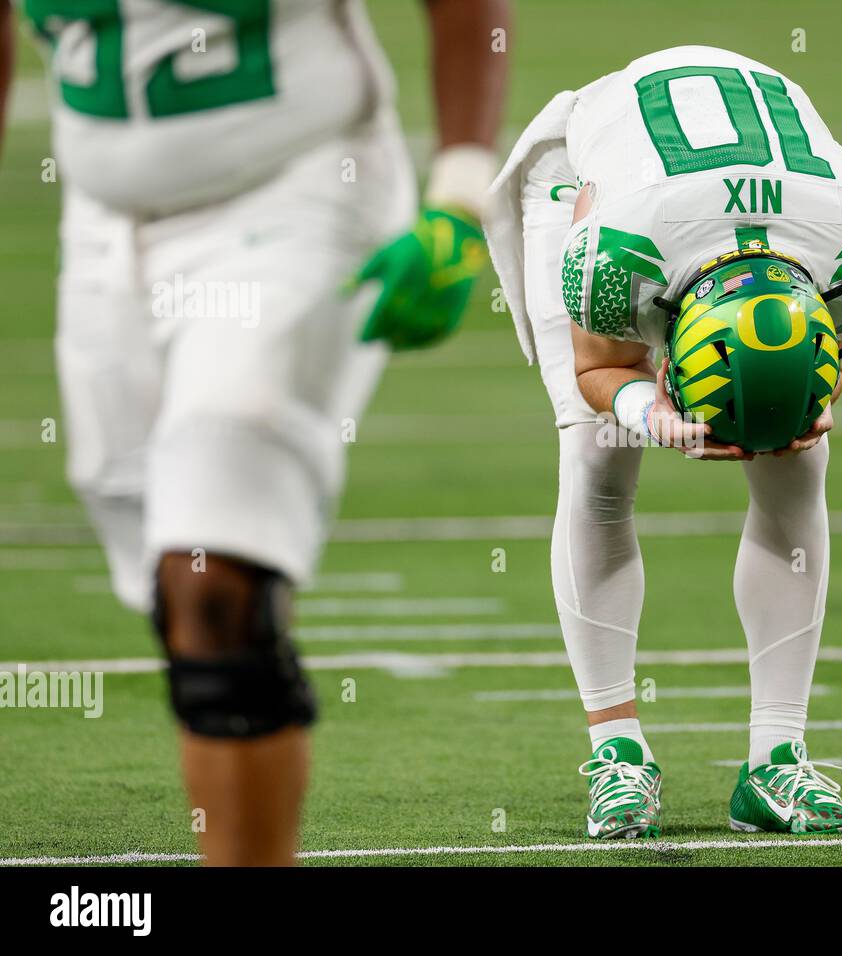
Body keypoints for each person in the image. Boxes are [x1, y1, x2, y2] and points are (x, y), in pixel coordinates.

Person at [6, 0, 509, 865]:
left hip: (297, 191)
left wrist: (460, 194)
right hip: (102, 227)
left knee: (215, 583)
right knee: (181, 604)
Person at [486, 45, 842, 838]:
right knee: (596, 453)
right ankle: (616, 753)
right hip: (592, 174)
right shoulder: (613, 253)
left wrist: (806, 402)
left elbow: (832, 342)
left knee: (801, 462)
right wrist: (655, 416)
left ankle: (776, 761)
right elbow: (601, 368)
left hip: (764, 207)